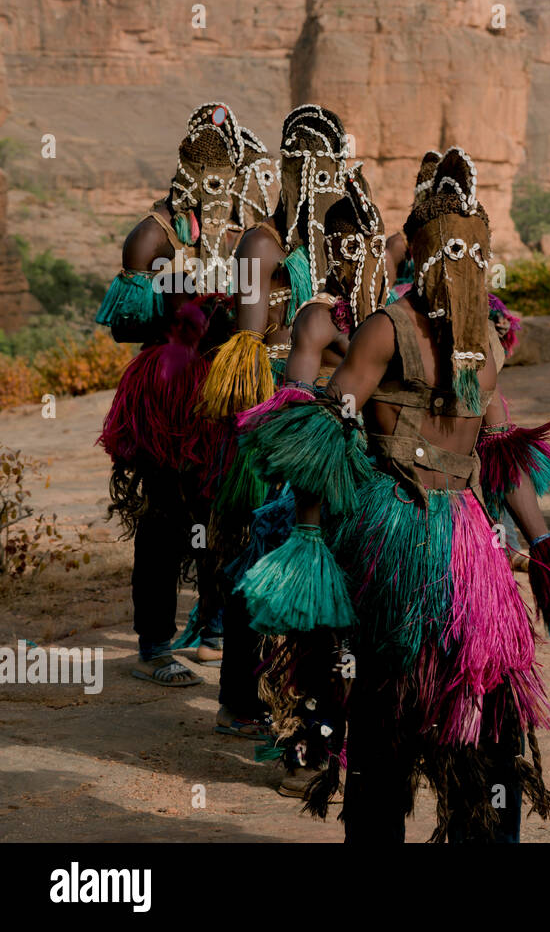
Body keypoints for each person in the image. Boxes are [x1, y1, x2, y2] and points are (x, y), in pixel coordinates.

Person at [237, 148, 550, 842]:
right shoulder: (471, 343)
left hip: (408, 538)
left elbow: (338, 439)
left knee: (411, 705)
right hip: (449, 543)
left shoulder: (415, 332)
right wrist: (536, 538)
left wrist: (309, 540)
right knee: (454, 701)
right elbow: (495, 457)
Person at [202, 104, 356, 738]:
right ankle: (240, 696)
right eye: (319, 167)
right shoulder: (262, 243)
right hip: (272, 412)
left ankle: (298, 698)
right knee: (253, 549)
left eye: (337, 167)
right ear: (296, 169)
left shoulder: (344, 240)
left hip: (324, 415)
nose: (329, 178)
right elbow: (245, 340)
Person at [94, 103, 244, 687]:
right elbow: (123, 326)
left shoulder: (239, 234)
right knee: (165, 516)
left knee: (221, 510)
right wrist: (180, 298)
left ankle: (212, 630)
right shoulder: (151, 235)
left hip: (221, 387)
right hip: (164, 392)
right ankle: (154, 644)